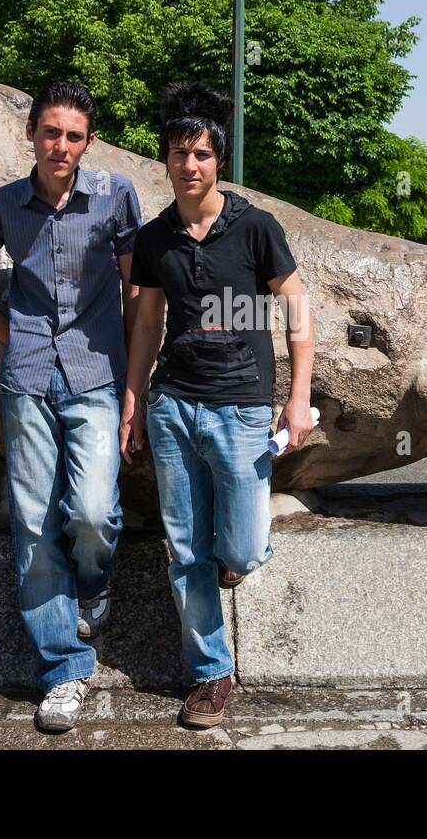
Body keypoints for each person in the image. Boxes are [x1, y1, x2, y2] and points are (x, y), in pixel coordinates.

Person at [120, 82, 316, 729]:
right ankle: (210, 672)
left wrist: (298, 398)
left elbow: (298, 311)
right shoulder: (154, 240)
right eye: (179, 153)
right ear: (166, 161)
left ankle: (241, 558)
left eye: (201, 153)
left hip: (240, 410)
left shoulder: (255, 227)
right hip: (175, 407)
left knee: (239, 546)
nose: (190, 164)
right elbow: (147, 324)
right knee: (185, 548)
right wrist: (133, 400)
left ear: (218, 161)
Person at [0, 80, 142, 732]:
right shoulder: (2, 207)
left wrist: (138, 377)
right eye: (51, 132)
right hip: (28, 378)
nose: (61, 145)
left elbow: (137, 290)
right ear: (31, 133)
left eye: (74, 135)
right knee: (32, 524)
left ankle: (93, 583)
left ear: (88, 142)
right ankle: (64, 670)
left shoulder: (116, 199)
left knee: (92, 510)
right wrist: (15, 335)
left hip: (95, 374)